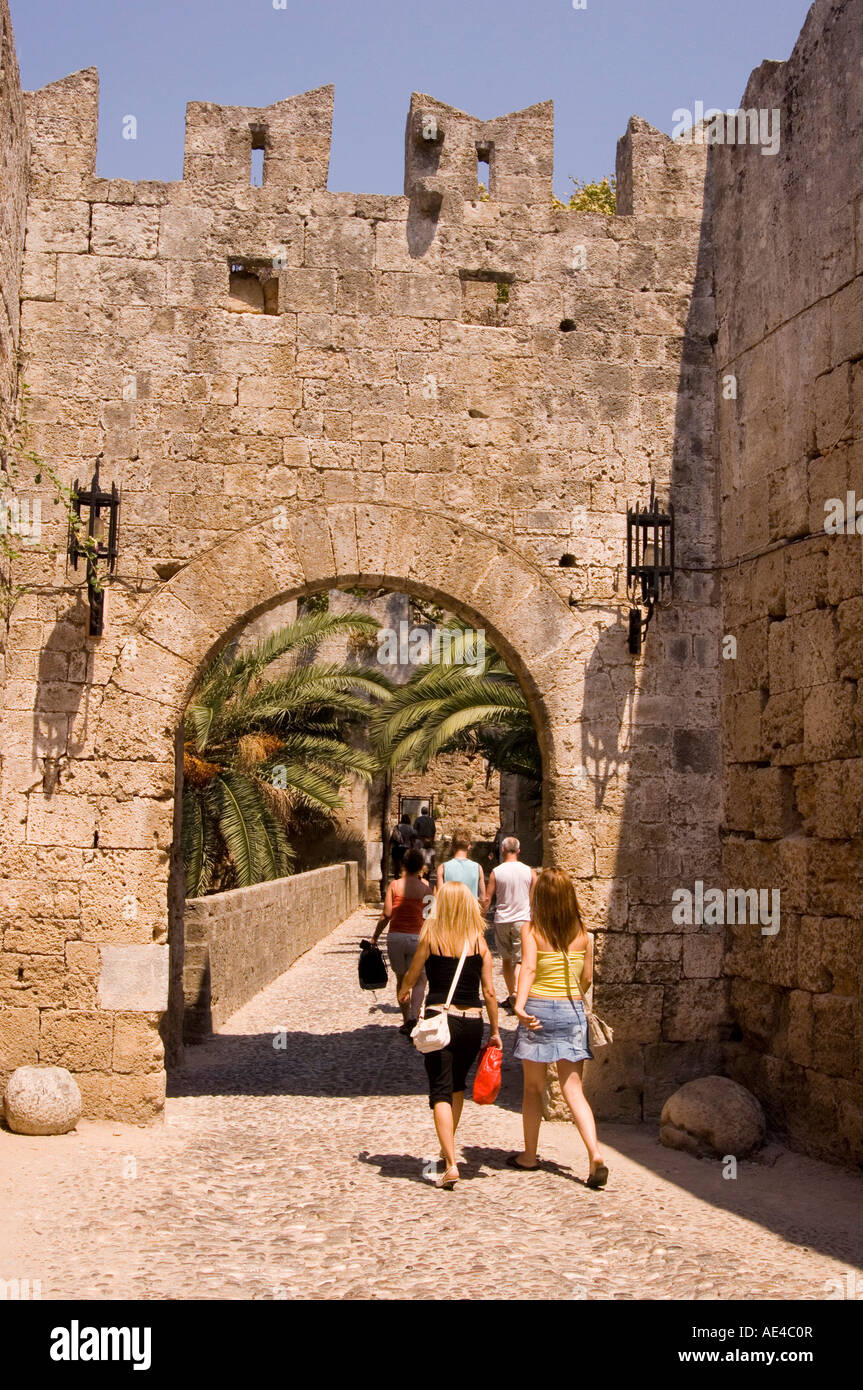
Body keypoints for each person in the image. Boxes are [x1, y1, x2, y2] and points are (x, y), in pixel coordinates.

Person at [399, 882, 501, 1189]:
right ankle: (448, 1151)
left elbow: (413, 976)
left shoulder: (430, 937)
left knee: (440, 1090)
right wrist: (495, 1031)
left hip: (440, 1020)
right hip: (472, 1023)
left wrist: (404, 991)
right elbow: (490, 992)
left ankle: (452, 1164)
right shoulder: (480, 943)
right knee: (457, 1086)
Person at [510, 868, 608, 1188]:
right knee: (573, 1088)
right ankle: (594, 1153)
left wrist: (520, 1005)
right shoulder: (583, 933)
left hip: (538, 1008)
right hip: (572, 1011)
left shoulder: (532, 930)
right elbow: (588, 978)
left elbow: (528, 968)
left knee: (533, 1088)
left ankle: (529, 1155)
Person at [372, 848, 432, 1035]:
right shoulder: (427, 889)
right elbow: (431, 917)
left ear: (404, 865)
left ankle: (406, 1020)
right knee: (420, 978)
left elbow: (387, 914)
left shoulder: (394, 886)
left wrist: (375, 936)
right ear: (421, 867)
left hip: (396, 937)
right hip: (417, 938)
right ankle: (415, 1016)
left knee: (401, 978)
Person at [483, 836, 536, 1015]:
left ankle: (512, 992)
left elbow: (488, 898)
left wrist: (481, 916)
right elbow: (533, 898)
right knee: (521, 959)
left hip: (502, 919)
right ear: (519, 851)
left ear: (503, 850)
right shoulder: (530, 872)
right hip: (522, 919)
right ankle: (520, 995)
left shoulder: (496, 872)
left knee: (506, 959)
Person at [436, 827, 485, 900]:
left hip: (450, 910)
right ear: (469, 847)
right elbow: (483, 898)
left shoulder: (442, 868)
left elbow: (440, 897)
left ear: (452, 846)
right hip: (471, 910)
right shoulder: (478, 868)